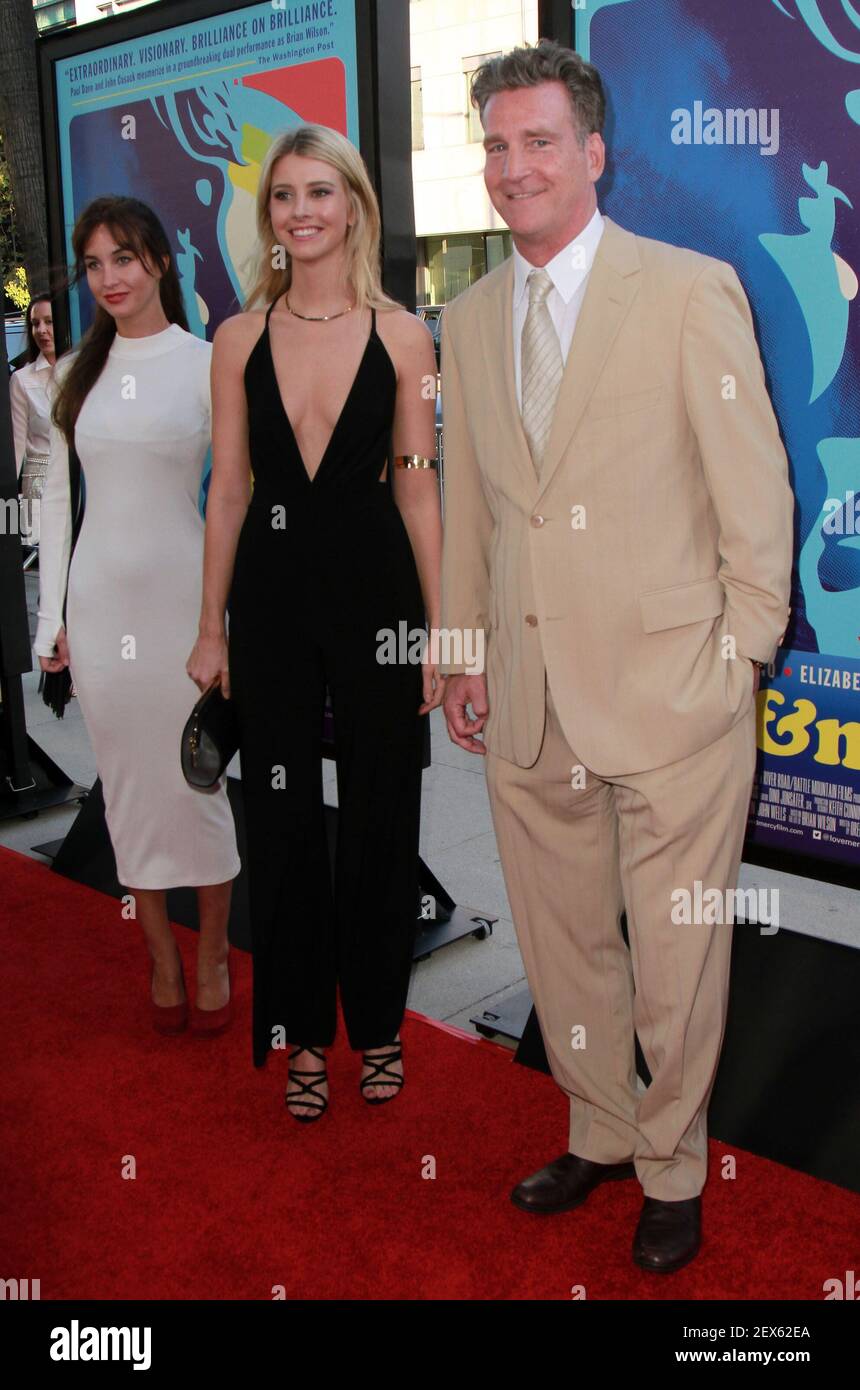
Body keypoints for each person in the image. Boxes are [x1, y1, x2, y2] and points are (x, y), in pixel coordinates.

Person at [439, 41, 794, 1273]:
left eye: (538, 141)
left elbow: (757, 493)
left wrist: (738, 652)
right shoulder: (468, 318)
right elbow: (468, 513)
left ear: (593, 152)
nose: (512, 166)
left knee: (676, 951)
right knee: (561, 942)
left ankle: (672, 1161)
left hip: (672, 697)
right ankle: (595, 1128)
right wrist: (455, 656)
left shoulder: (687, 288)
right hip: (527, 699)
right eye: (494, 144)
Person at [186, 124, 442, 1120]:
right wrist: (212, 627)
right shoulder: (237, 339)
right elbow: (226, 495)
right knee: (283, 820)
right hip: (273, 597)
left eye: (320, 192)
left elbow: (420, 490)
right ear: (270, 218)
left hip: (378, 592)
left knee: (385, 812)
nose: (302, 211)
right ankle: (298, 1034)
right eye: (284, 196)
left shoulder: (406, 337)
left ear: (352, 206)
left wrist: (443, 629)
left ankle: (376, 1024)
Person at [35, 196, 241, 1037]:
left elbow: (232, 494)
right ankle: (159, 955)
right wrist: (54, 621)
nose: (109, 277)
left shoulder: (206, 363)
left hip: (181, 607)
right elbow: (52, 500)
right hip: (99, 603)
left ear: (158, 259)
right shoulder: (74, 370)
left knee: (198, 783)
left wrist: (218, 622)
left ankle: (216, 952)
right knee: (125, 791)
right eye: (94, 264)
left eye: (124, 257)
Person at [9, 294, 57, 548]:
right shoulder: (21, 380)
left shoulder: (81, 372)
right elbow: (16, 448)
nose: (42, 330)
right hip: (38, 491)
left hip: (82, 488)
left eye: (49, 322)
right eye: (35, 323)